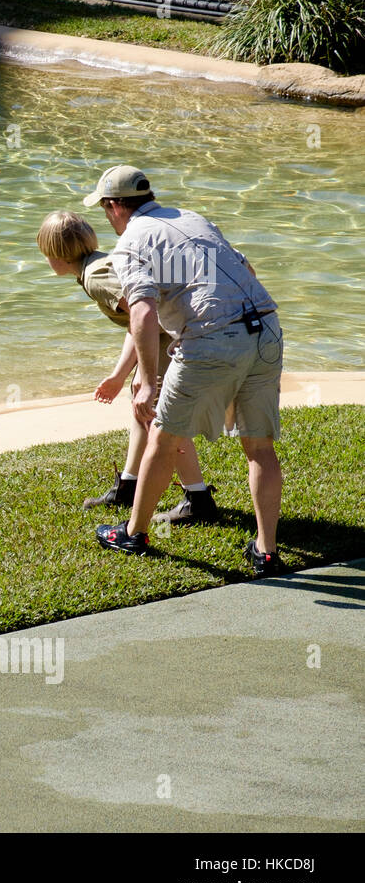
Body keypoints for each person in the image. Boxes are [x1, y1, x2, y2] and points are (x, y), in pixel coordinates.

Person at [83, 166, 284, 576]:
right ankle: (266, 550)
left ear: (116, 206)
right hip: (266, 327)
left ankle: (133, 534)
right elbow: (248, 272)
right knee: (260, 446)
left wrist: (146, 382)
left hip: (212, 340)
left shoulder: (131, 243)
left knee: (163, 434)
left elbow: (142, 311)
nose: (106, 216)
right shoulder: (191, 217)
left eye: (105, 207)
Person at [36, 210, 218, 523]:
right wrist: (122, 375)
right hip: (173, 331)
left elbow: (144, 314)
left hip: (180, 333)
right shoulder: (100, 262)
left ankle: (197, 499)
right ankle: (129, 486)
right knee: (142, 408)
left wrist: (134, 375)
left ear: (55, 255)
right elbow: (137, 321)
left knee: (163, 419)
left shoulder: (96, 278)